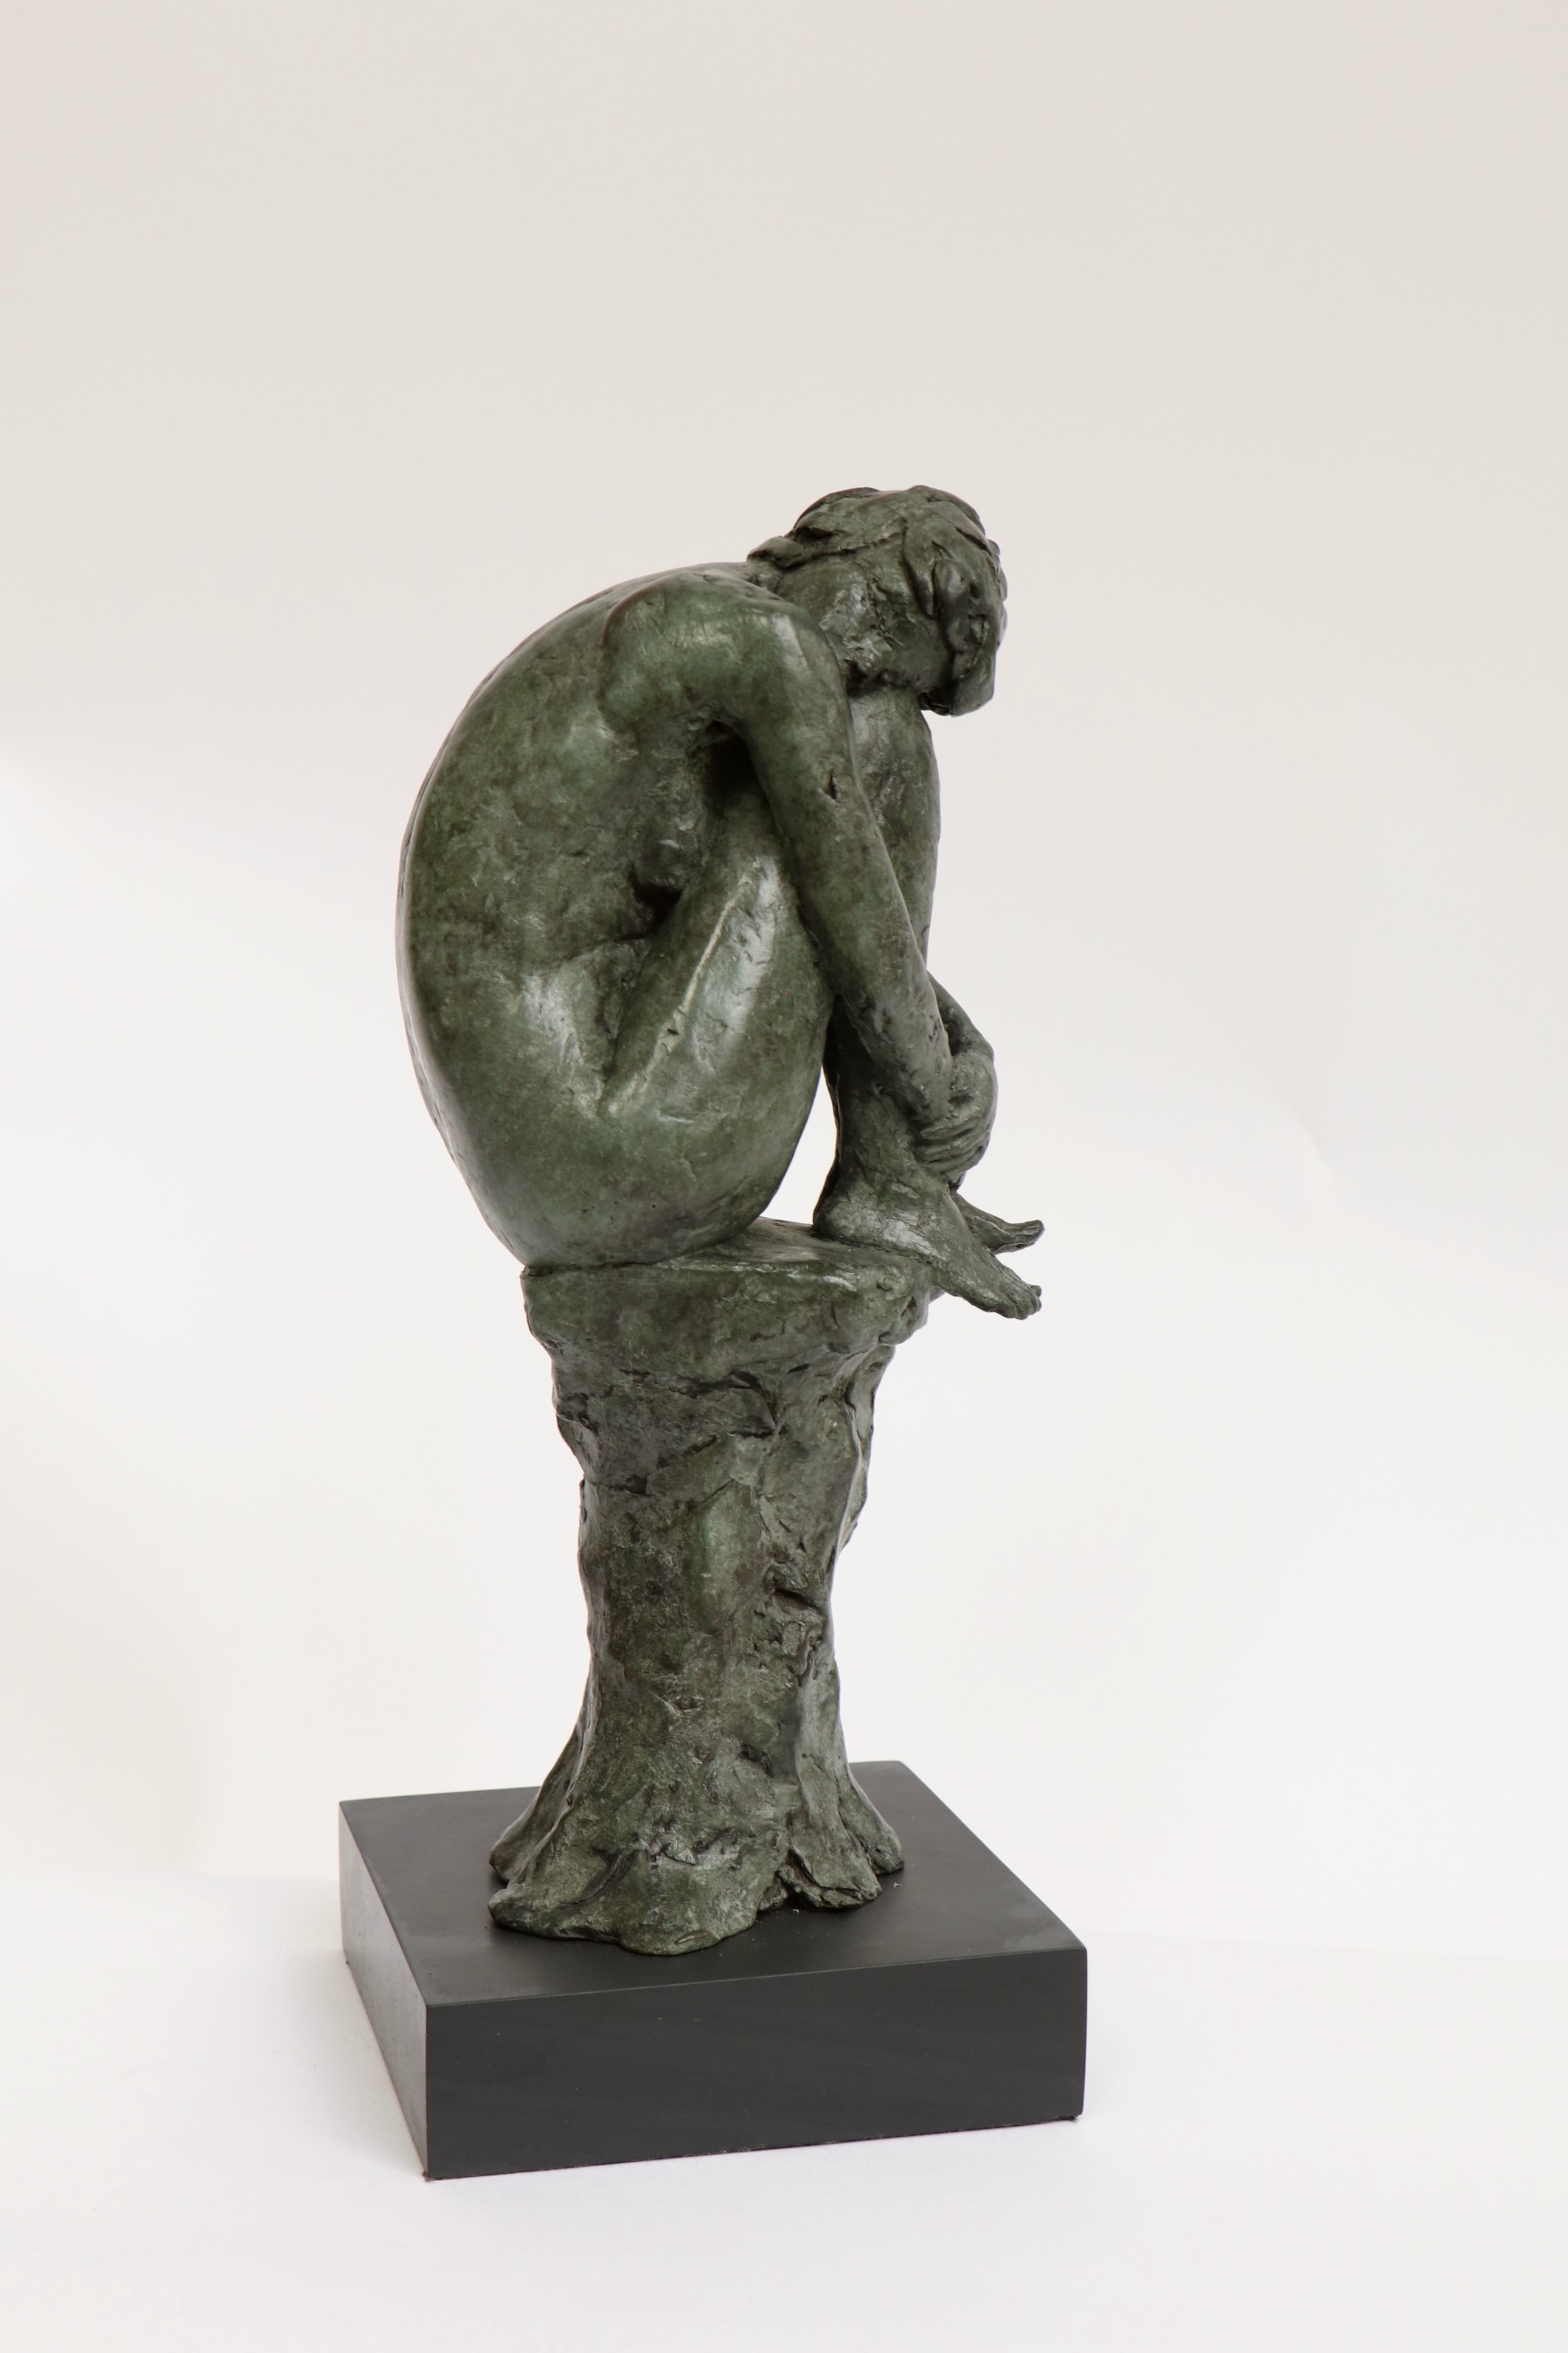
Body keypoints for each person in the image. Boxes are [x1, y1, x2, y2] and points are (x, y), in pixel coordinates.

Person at [398, 485, 1041, 1316]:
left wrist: (956, 1042)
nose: (876, 680)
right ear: (923, 599)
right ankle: (894, 1184)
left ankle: (897, 1182)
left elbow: (807, 924)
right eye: (913, 675)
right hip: (613, 1150)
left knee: (845, 778)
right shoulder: (774, 649)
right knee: (884, 736)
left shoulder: (705, 618)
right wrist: (940, 1095)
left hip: (545, 1160)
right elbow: (848, 913)